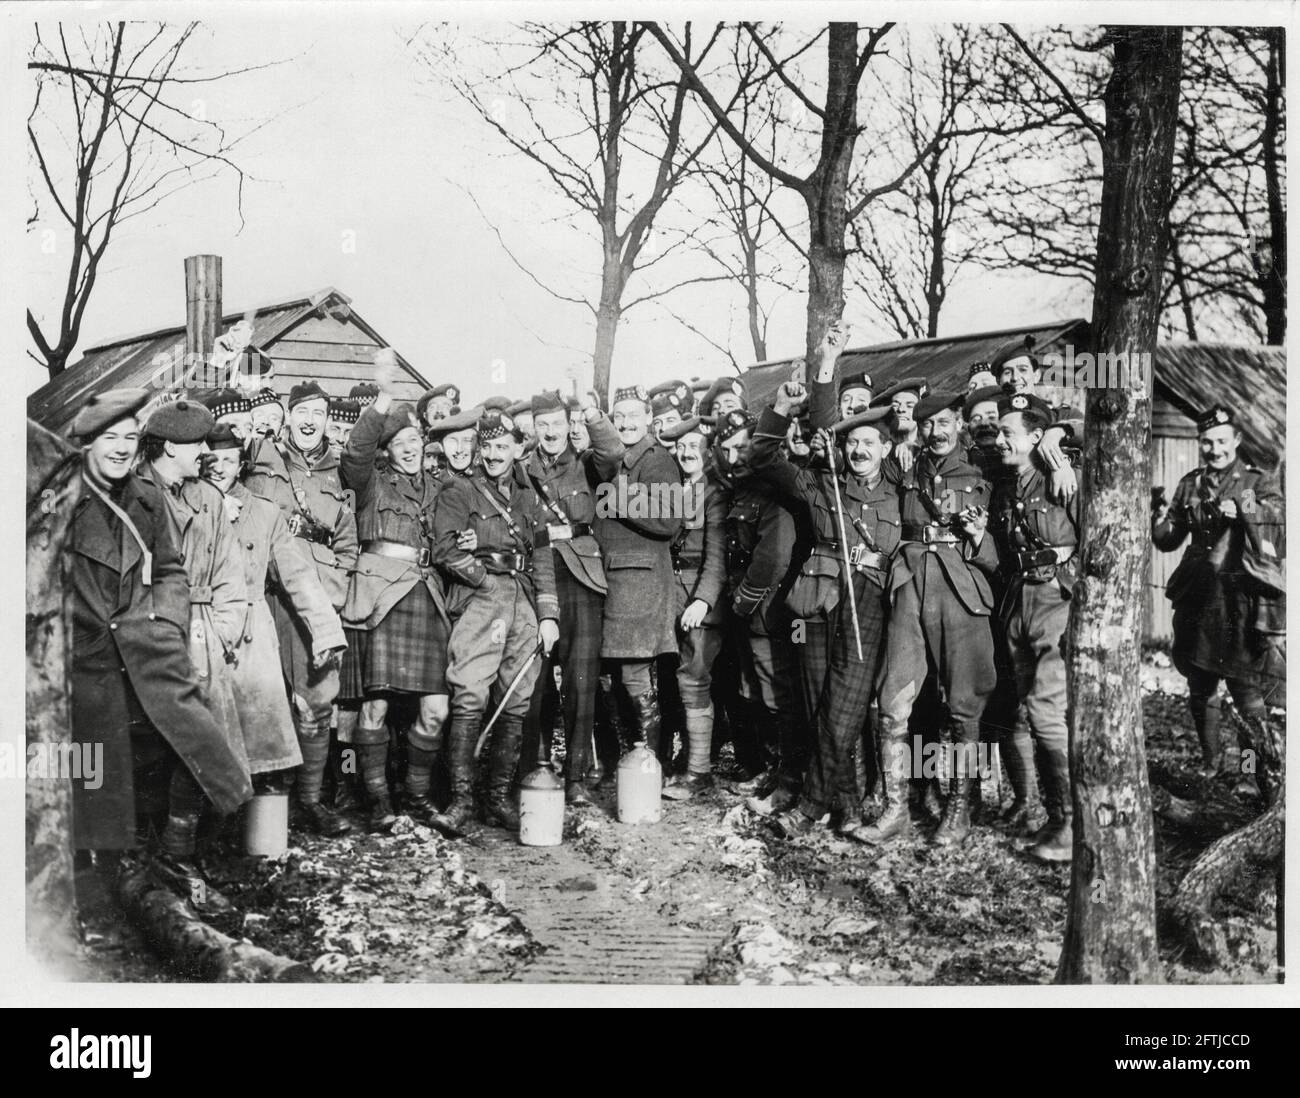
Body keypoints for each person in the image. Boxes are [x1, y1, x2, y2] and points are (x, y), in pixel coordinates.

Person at [64, 389, 251, 911]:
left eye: (129, 437)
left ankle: (173, 859)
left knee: (195, 743)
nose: (121, 448)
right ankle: (98, 895)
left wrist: (168, 622)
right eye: (110, 438)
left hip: (148, 647)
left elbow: (170, 569)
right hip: (87, 655)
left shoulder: (146, 497)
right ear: (87, 444)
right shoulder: (59, 498)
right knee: (96, 772)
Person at [751, 382, 902, 841]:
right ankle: (848, 805)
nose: (859, 450)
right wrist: (780, 410)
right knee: (820, 706)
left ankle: (812, 805)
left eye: (869, 443)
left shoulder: (903, 489)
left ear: (887, 448)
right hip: (817, 598)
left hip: (870, 598)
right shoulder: (819, 483)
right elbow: (761, 459)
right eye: (852, 441)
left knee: (845, 709)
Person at [875, 390, 999, 848]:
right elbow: (848, 438)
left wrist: (981, 541)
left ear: (961, 424)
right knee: (895, 699)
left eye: (945, 422)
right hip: (910, 586)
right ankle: (896, 808)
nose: (936, 432)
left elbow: (1000, 537)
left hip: (961, 590)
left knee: (964, 705)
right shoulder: (903, 465)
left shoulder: (986, 467)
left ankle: (960, 808)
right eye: (927, 424)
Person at [337, 351, 455, 832]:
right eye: (399, 442)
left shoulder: (442, 485)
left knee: (436, 708)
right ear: (388, 450)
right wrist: (383, 399)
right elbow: (355, 452)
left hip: (428, 601)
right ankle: (379, 802)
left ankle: (418, 796)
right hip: (380, 602)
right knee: (374, 706)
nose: (408, 448)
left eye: (414, 440)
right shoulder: (369, 481)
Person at [137, 398, 251, 879]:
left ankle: (187, 849)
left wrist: (223, 631)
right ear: (167, 448)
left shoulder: (206, 497)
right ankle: (148, 849)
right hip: (152, 631)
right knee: (153, 742)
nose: (205, 451)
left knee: (205, 739)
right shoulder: (136, 493)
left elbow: (229, 571)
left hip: (203, 633)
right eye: (195, 444)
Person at [432, 410, 561, 832]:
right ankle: (462, 801)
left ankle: (497, 798)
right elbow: (446, 550)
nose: (492, 454)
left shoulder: (528, 498)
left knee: (516, 699)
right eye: (486, 446)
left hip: (523, 599)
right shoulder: (459, 490)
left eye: (501, 446)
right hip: (483, 598)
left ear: (518, 449)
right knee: (469, 693)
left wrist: (547, 615)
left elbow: (541, 556)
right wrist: (484, 582)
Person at [244, 380, 359, 836]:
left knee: (317, 700)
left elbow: (348, 542)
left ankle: (309, 802)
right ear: (287, 415)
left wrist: (334, 582)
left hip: (313, 600)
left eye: (318, 412)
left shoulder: (339, 470)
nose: (310, 420)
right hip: (262, 592)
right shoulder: (260, 455)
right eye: (302, 411)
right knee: (260, 697)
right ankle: (258, 805)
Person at [204, 425, 346, 787]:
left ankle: (258, 827)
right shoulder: (184, 504)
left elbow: (297, 575)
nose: (220, 468)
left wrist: (326, 631)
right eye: (212, 460)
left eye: (229, 460)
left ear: (242, 466)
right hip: (204, 625)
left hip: (252, 633)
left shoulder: (265, 513)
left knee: (260, 735)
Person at [1153, 405, 1284, 796]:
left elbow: (1276, 532)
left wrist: (1243, 507)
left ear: (1237, 442)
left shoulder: (1255, 482)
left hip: (1238, 602)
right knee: (1200, 685)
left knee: (1245, 692)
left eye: (1222, 441)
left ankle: (1252, 773)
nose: (1214, 449)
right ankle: (1212, 764)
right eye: (1207, 442)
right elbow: (1168, 539)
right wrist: (1155, 516)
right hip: (1197, 597)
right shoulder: (1191, 484)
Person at [520, 389, 623, 805]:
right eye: (542, 424)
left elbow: (614, 453)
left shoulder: (587, 465)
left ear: (569, 425)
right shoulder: (520, 470)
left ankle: (576, 775)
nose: (550, 432)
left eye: (557, 423)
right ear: (533, 427)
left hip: (581, 575)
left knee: (581, 679)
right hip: (535, 575)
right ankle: (536, 767)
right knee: (537, 680)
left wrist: (593, 413)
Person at [989, 392, 1081, 861]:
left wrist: (1062, 441)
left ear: (1037, 438)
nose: (999, 439)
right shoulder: (1009, 485)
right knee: (1030, 707)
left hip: (1054, 599)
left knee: (1047, 711)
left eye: (1009, 433)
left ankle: (1069, 826)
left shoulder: (1063, 476)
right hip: (1019, 600)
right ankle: (1053, 816)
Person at [714, 408, 807, 816]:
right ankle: (772, 766)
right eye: (729, 449)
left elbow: (774, 555)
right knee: (754, 689)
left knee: (777, 693)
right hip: (747, 609)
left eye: (743, 448)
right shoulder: (738, 490)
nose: (736, 458)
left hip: (770, 611)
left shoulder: (772, 490)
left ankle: (789, 775)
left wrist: (743, 602)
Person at [592, 385, 686, 759]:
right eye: (620, 417)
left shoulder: (658, 460)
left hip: (640, 585)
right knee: (609, 677)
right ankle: (626, 762)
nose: (627, 423)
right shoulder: (608, 457)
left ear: (649, 418)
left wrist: (613, 488)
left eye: (634, 415)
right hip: (608, 580)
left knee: (633, 676)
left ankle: (651, 760)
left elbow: (667, 519)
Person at [659, 416, 728, 800]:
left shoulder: (714, 493)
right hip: (671, 593)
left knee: (695, 679)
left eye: (695, 447)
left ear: (708, 452)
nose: (687, 452)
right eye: (681, 447)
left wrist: (702, 600)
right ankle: (682, 761)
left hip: (699, 602)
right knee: (675, 680)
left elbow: (715, 555)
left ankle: (699, 771)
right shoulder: (675, 490)